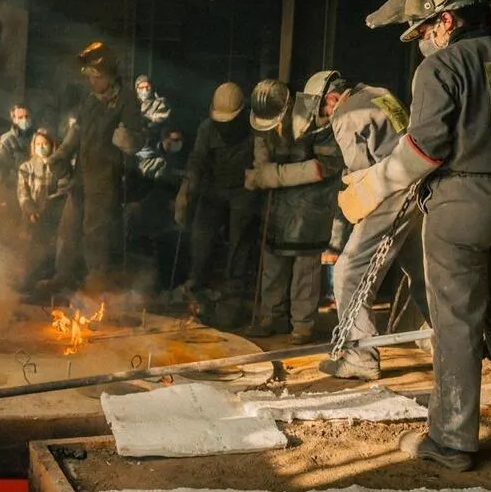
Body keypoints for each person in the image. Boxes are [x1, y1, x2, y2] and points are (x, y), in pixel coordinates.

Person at [341, 0, 491, 470]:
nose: (423, 41)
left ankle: (452, 441)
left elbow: (424, 148)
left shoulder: (442, 67)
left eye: (422, 31)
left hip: (462, 200)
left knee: (457, 319)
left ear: (444, 20)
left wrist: (375, 183)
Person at [283, 71, 431, 380]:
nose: (325, 118)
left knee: (349, 271)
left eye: (323, 111)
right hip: (421, 186)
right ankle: (445, 336)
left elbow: (361, 174)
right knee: (421, 268)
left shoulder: (345, 115)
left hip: (394, 188)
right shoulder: (378, 91)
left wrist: (345, 222)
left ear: (331, 99)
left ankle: (359, 354)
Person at [40, 41, 146, 294]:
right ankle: (63, 276)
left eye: (96, 76)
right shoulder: (90, 99)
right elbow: (79, 128)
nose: (92, 82)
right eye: (90, 76)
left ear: (109, 75)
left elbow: (138, 137)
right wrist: (64, 152)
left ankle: (95, 283)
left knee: (95, 233)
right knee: (68, 227)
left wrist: (129, 140)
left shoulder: (126, 100)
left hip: (106, 177)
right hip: (82, 174)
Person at [244, 79, 343, 344]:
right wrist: (263, 172)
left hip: (311, 205)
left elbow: (326, 166)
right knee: (273, 262)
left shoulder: (316, 119)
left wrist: (272, 176)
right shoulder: (265, 122)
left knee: (305, 268)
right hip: (278, 204)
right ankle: (270, 316)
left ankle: (302, 325)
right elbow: (261, 155)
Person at [175, 83, 258, 323]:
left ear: (242, 114)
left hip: (244, 191)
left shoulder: (254, 130)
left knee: (239, 242)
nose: (224, 126)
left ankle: (233, 296)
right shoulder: (207, 129)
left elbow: (263, 161)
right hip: (213, 190)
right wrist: (184, 195)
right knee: (201, 236)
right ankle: (197, 287)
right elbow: (197, 162)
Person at [128, 125, 188, 293]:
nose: (177, 144)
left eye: (179, 141)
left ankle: (169, 285)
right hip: (150, 209)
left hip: (171, 214)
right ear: (164, 140)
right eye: (173, 140)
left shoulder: (183, 161)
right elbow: (142, 184)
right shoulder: (150, 157)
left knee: (170, 246)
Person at [17, 129, 69, 290]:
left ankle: (49, 286)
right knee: (32, 252)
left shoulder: (60, 167)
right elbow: (23, 194)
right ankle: (28, 284)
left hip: (55, 217)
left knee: (53, 252)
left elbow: (64, 190)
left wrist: (52, 208)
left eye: (45, 144)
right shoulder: (26, 167)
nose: (42, 147)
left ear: (52, 145)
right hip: (33, 218)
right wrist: (32, 211)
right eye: (38, 144)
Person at [134, 75, 172, 142]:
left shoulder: (159, 103)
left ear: (152, 88)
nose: (145, 90)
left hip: (153, 139)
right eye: (141, 87)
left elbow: (162, 118)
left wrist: (150, 118)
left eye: (147, 87)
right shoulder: (132, 102)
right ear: (136, 89)